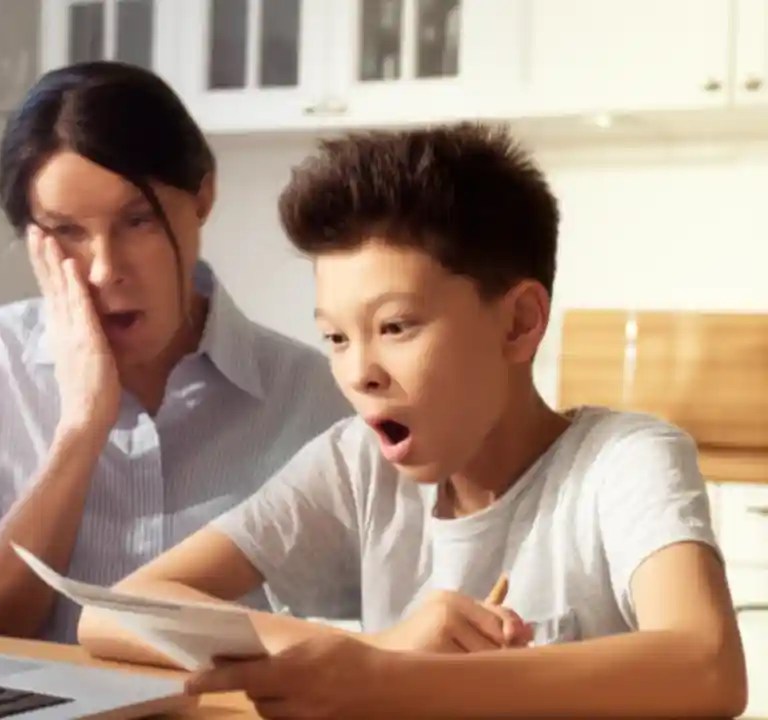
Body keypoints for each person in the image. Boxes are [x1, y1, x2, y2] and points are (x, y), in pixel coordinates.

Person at [78, 123, 748, 718]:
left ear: (518, 323)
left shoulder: (623, 460)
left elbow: (708, 665)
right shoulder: (356, 465)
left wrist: (395, 682)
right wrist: (373, 652)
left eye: (395, 326)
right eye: (336, 338)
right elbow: (113, 612)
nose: (358, 372)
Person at [0, 61, 350, 644]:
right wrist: (81, 430)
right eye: (67, 232)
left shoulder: (317, 398)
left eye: (137, 220)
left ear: (202, 197)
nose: (105, 269)